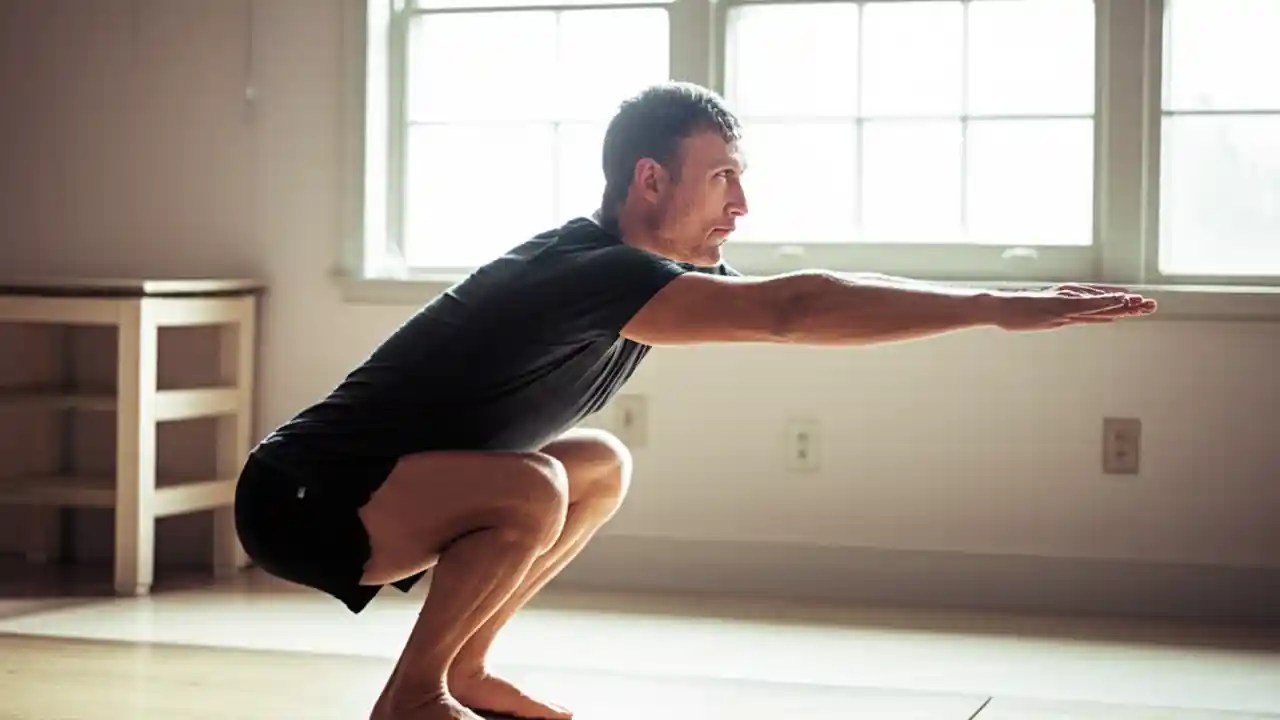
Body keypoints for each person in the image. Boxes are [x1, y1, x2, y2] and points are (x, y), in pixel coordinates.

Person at [233, 81, 1157, 720]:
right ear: (650, 181)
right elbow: (796, 309)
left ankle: (464, 669)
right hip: (302, 498)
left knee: (594, 466)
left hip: (357, 490)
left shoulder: (635, 266)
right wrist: (997, 307)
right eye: (723, 177)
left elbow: (813, 294)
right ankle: (411, 697)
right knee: (535, 490)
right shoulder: (595, 273)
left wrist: (987, 304)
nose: (741, 204)